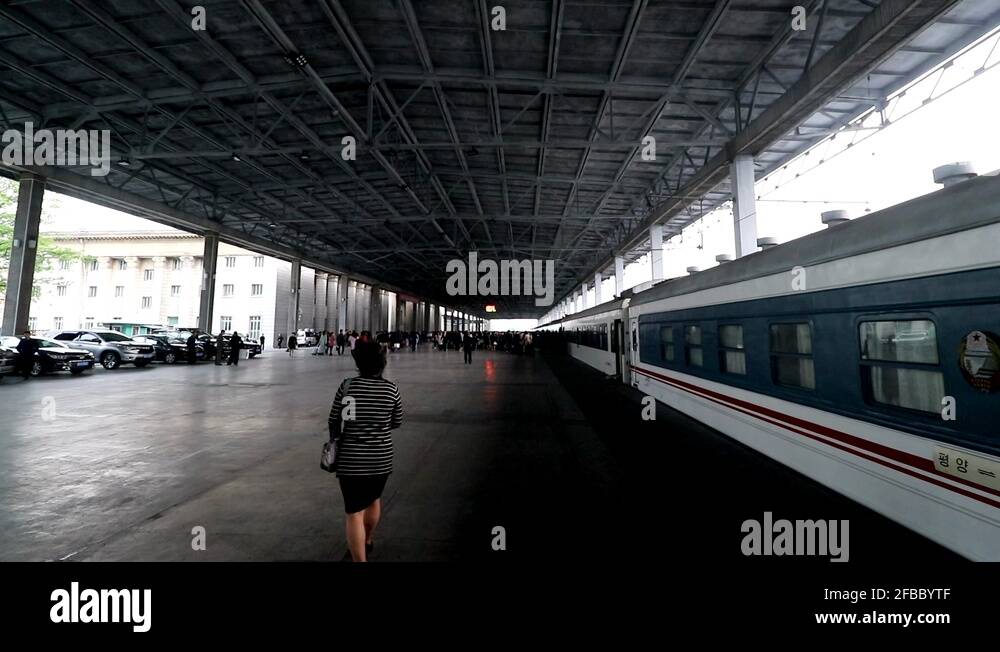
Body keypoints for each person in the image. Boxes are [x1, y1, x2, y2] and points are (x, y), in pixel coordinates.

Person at [328, 340, 403, 562]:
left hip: (351, 459)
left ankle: (359, 559)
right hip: (381, 458)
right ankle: (367, 539)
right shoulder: (391, 389)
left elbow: (334, 420)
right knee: (373, 500)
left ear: (359, 363)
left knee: (354, 512)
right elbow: (396, 422)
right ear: (382, 363)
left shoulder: (348, 386)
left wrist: (339, 437)